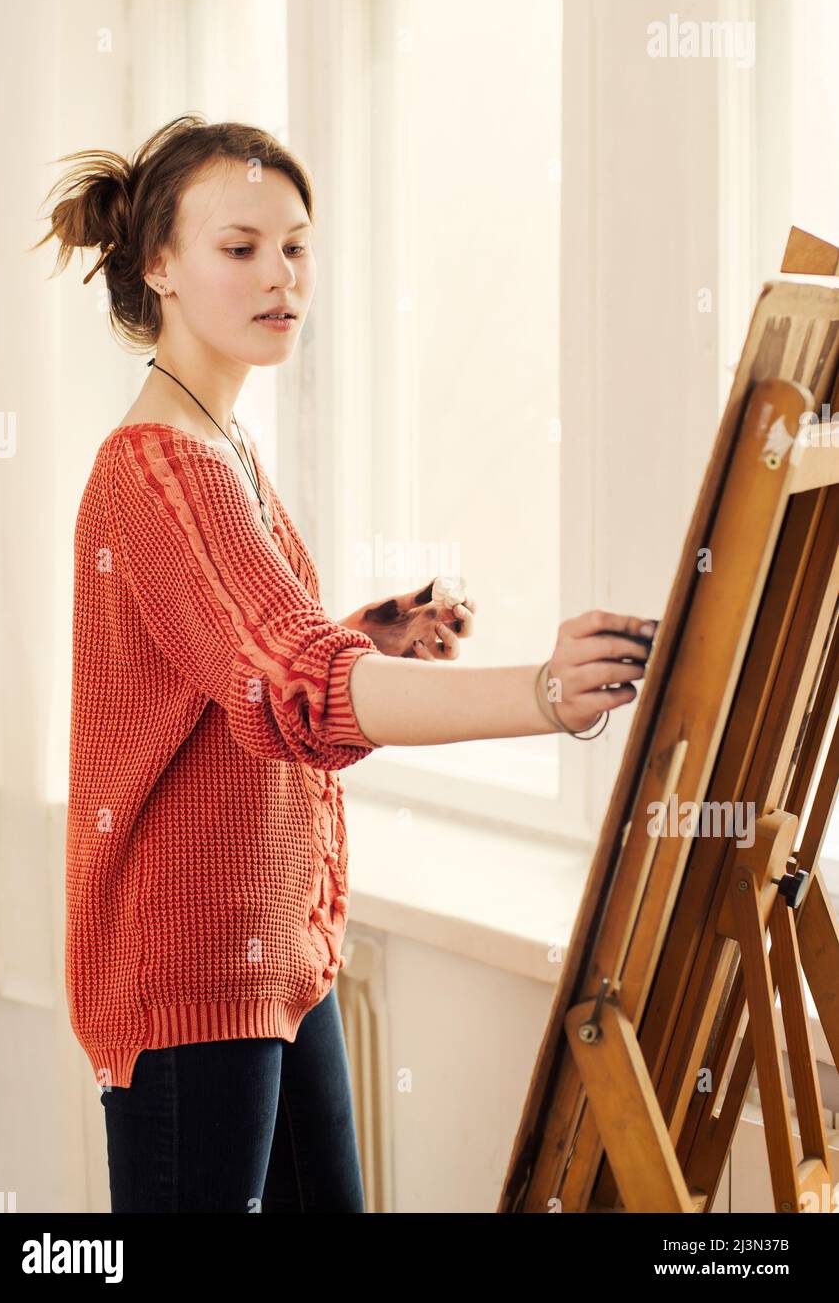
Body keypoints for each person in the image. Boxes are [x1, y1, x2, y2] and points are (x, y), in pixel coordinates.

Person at [35, 113, 655, 1213]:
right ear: (159, 266)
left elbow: (241, 676)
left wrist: (365, 638)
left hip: (277, 954)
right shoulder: (163, 470)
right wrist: (542, 694)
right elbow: (298, 692)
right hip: (192, 980)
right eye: (242, 248)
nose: (283, 276)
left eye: (297, 244)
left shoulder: (221, 444)